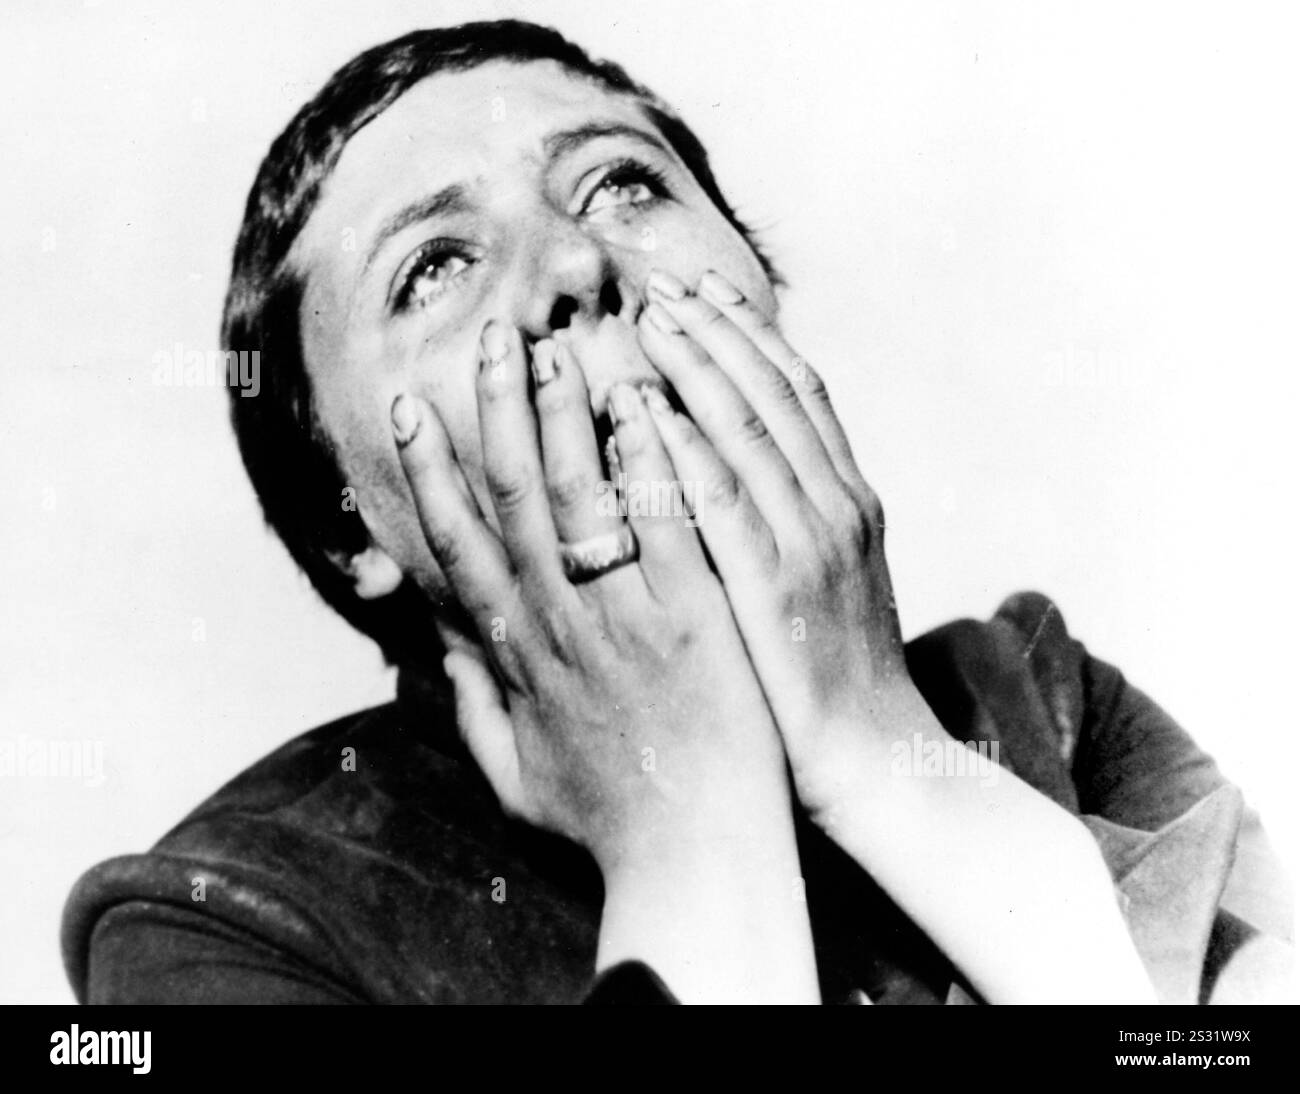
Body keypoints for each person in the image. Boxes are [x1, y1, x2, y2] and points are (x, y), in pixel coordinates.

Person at [62, 19, 1291, 1005]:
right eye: (435, 264)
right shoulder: (227, 914)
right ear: (347, 529)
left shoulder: (1049, 701)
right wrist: (685, 819)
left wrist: (887, 762)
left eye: (622, 185)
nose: (575, 265)